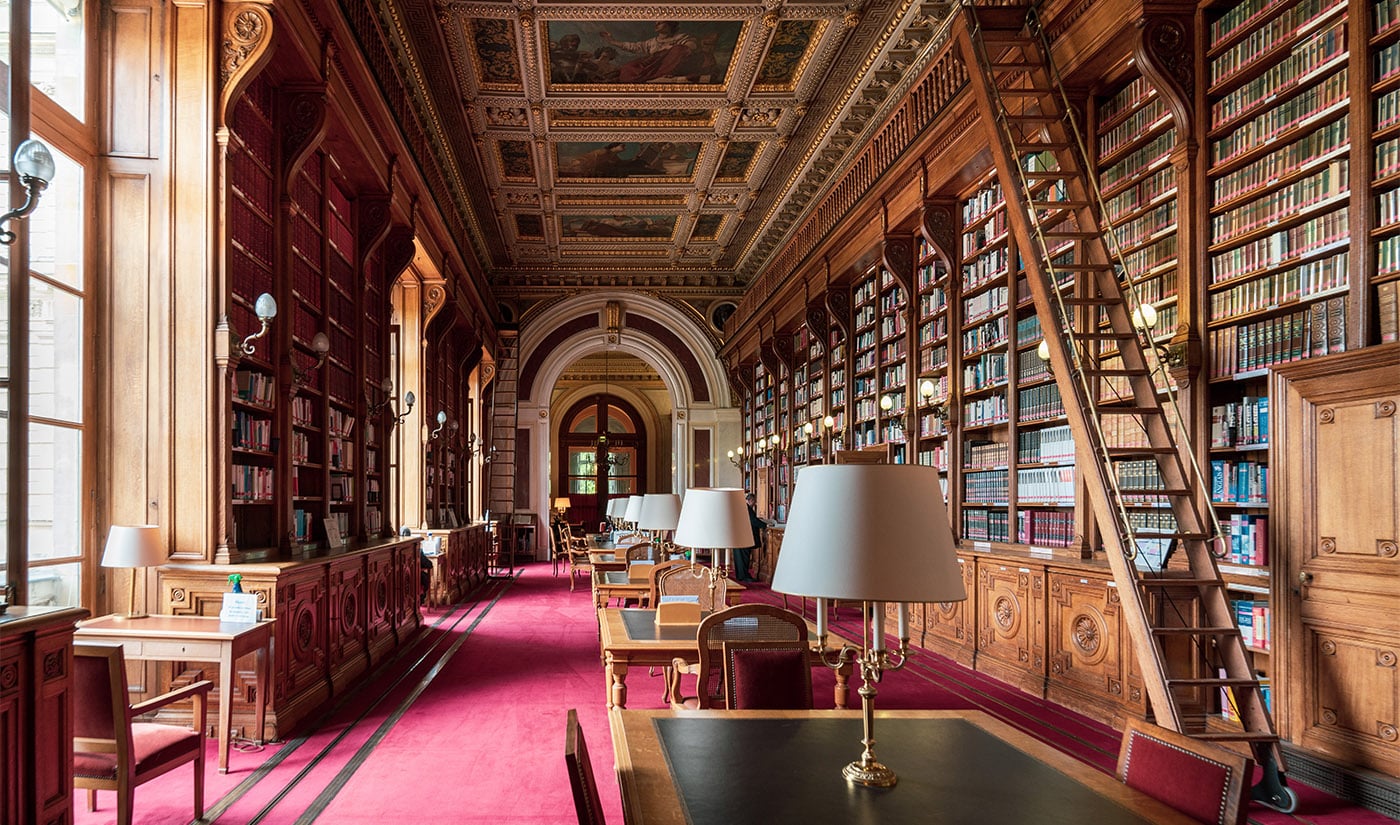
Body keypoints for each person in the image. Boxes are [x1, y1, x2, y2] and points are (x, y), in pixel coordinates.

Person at [734, 491, 764, 582]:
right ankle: (744, 576)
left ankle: (741, 575)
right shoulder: (746, 508)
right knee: (744, 558)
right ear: (750, 500)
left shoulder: (741, 507)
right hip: (744, 537)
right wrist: (765, 525)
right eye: (754, 501)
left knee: (740, 558)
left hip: (738, 537)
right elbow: (753, 521)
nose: (755, 503)